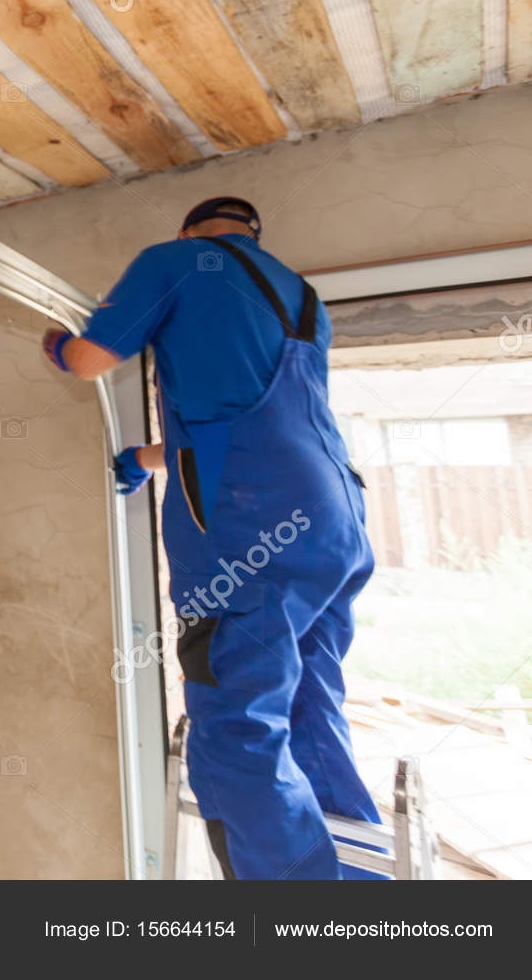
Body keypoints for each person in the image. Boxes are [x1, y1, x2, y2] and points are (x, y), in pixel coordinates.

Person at [40, 196, 381, 880]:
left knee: (238, 736)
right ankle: (364, 883)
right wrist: (144, 458)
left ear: (185, 230)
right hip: (336, 519)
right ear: (253, 235)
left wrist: (55, 342)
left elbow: (86, 360)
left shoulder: (173, 263)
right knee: (311, 707)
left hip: (252, 540)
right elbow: (254, 424)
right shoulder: (302, 295)